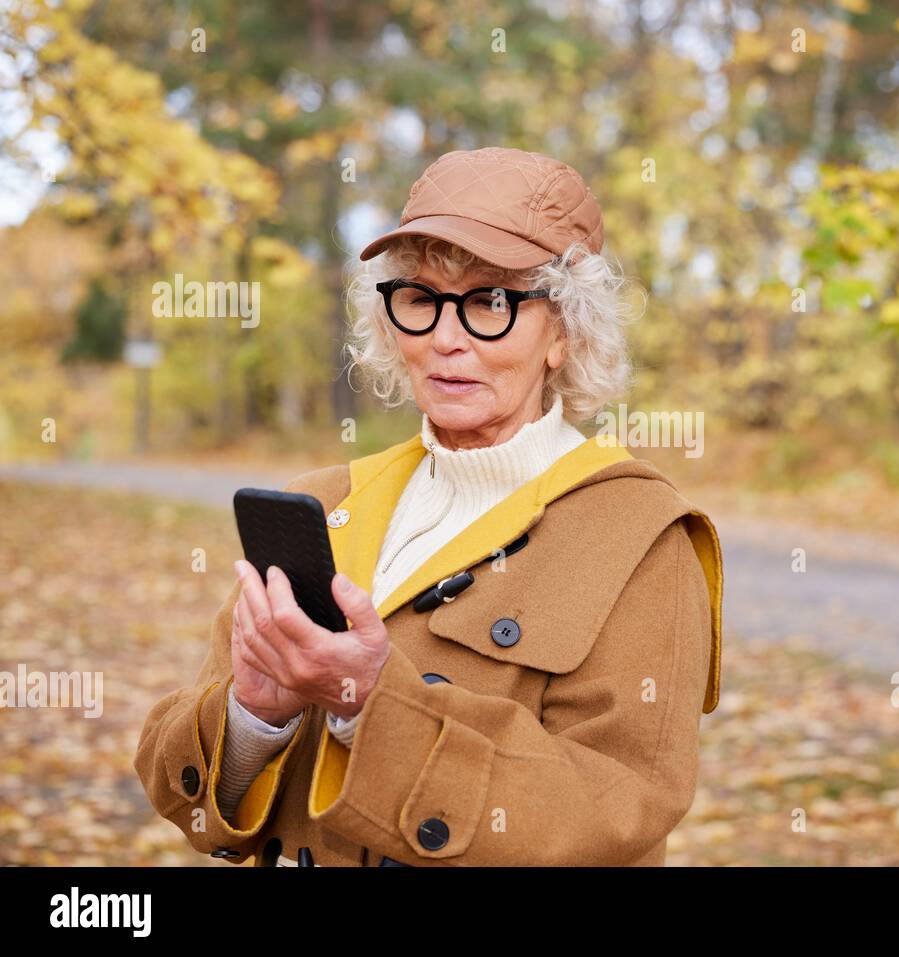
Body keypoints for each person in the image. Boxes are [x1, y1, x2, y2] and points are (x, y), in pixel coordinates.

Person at [133, 146, 724, 866]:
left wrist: (371, 707)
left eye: (491, 301)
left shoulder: (640, 536)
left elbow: (615, 810)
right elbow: (188, 804)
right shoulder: (319, 505)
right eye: (419, 298)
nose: (447, 338)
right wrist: (254, 716)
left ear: (564, 333)